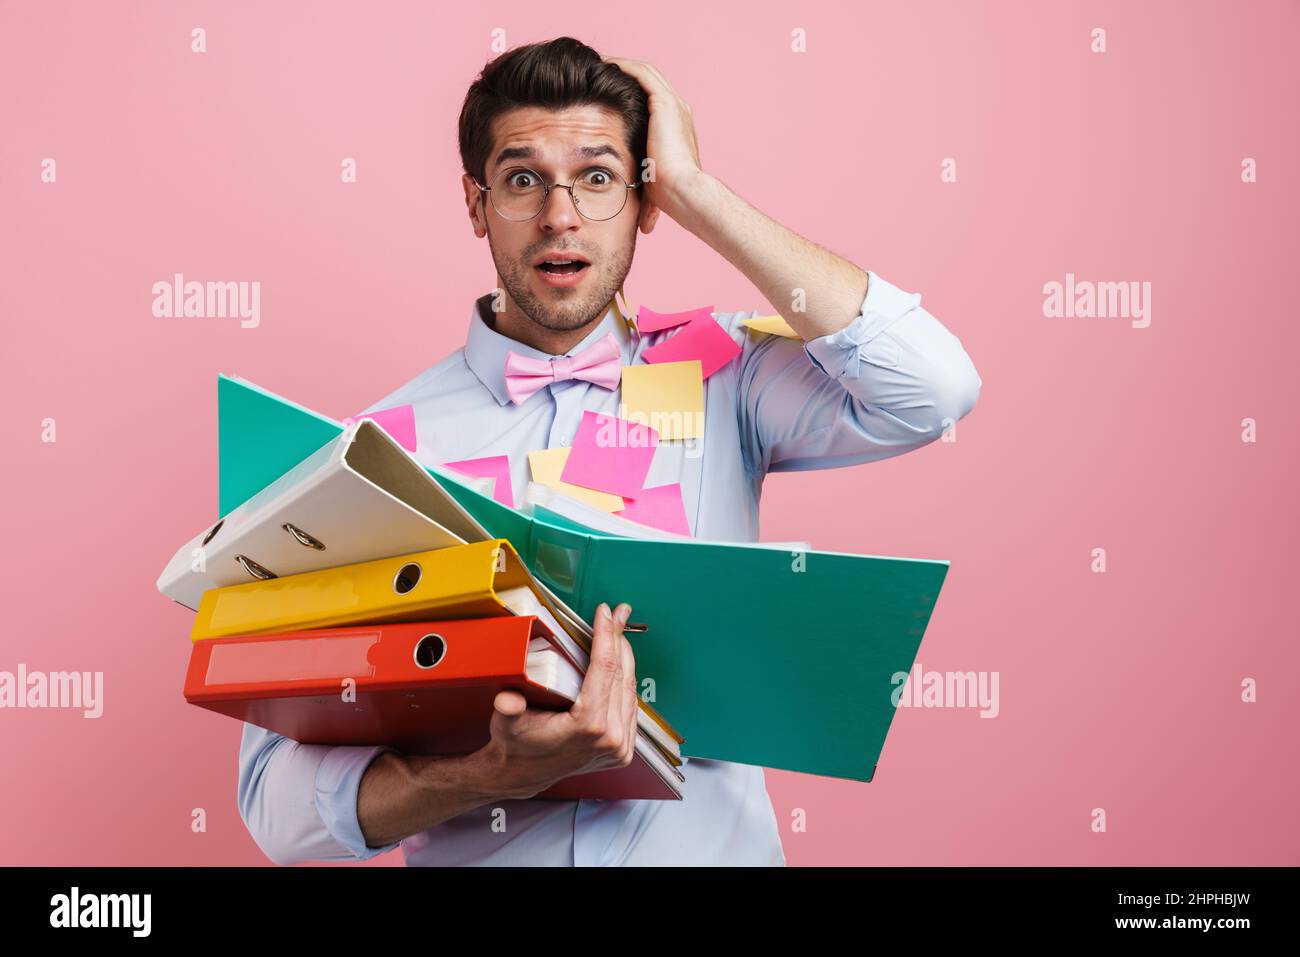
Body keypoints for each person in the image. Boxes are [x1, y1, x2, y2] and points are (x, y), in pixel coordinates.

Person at [237, 36, 982, 866]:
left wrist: (695, 189)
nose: (560, 216)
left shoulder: (727, 374)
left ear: (644, 200)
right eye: (523, 180)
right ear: (477, 204)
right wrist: (488, 774)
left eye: (597, 178)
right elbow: (276, 809)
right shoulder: (373, 455)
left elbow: (936, 387)